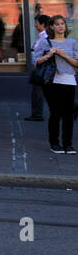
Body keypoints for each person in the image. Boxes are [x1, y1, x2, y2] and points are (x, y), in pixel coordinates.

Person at [35, 15, 78, 154]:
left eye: (62, 24)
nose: (61, 26)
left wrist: (64, 55)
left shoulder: (72, 42)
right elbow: (35, 62)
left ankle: (68, 144)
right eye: (57, 24)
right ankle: (54, 143)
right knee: (56, 112)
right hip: (51, 81)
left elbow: (77, 63)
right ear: (52, 26)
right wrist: (48, 55)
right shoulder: (45, 42)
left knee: (68, 114)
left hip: (69, 79)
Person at [26, 14, 50, 122]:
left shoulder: (45, 37)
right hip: (42, 67)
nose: (35, 25)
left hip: (42, 68)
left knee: (37, 92)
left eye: (36, 23)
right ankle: (37, 113)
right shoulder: (42, 36)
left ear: (42, 24)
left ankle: (37, 114)